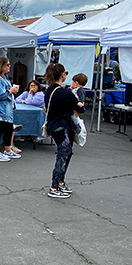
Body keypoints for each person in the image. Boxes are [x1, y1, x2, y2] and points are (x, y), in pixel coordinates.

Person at [44, 63, 85, 198]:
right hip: (63, 126)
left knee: (66, 153)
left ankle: (60, 183)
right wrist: (78, 105)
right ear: (63, 75)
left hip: (53, 125)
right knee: (63, 154)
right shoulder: (65, 93)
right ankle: (55, 187)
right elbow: (80, 109)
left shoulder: (50, 90)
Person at [0, 57, 21, 162]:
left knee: (8, 130)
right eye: (7, 65)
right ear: (1, 66)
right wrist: (10, 91)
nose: (9, 66)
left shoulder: (4, 78)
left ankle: (7, 150)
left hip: (5, 110)